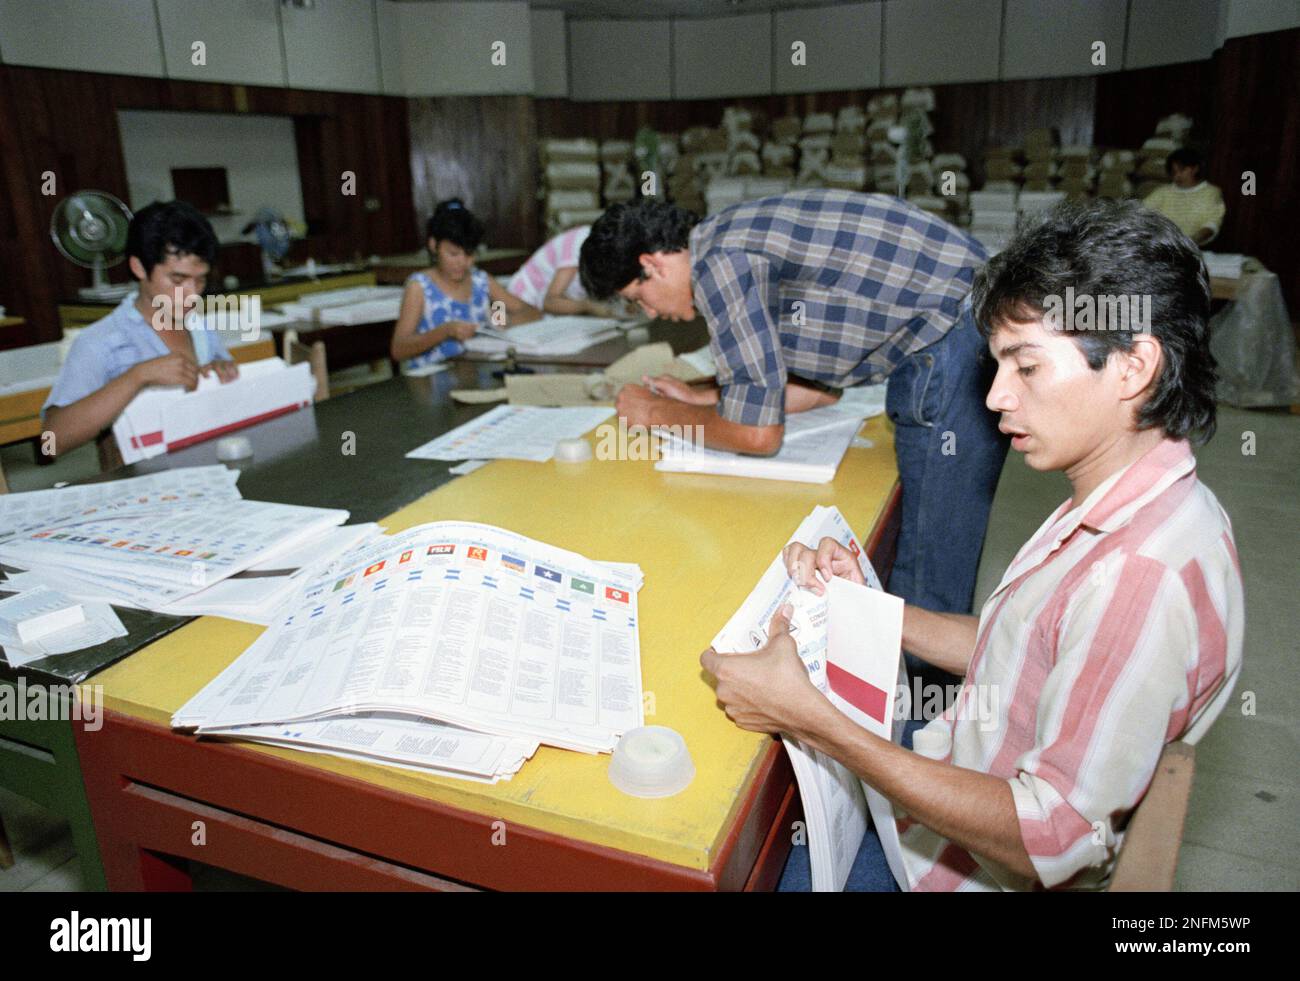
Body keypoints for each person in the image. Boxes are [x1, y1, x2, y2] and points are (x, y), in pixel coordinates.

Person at [702, 199, 1244, 891]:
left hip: (966, 863)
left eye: (1026, 367)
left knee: (748, 863)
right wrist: (865, 604)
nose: (993, 399)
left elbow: (1049, 839)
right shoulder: (1134, 499)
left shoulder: (1139, 576)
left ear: (1133, 365)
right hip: (957, 786)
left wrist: (811, 718)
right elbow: (1022, 646)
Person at [579, 189, 1008, 634]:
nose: (650, 311)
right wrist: (705, 399)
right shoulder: (732, 235)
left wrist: (654, 413)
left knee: (927, 571)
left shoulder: (721, 264)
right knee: (938, 553)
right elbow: (817, 393)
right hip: (965, 324)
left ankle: (917, 698)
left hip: (951, 343)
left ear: (652, 264)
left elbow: (758, 434)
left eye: (639, 297)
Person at [43, 200, 238, 457]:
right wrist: (136, 378)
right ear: (138, 267)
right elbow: (51, 442)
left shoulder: (199, 327)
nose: (192, 294)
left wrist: (222, 371)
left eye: (200, 280)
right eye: (177, 279)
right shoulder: (101, 341)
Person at [390, 199, 541, 372]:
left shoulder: (481, 281)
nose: (462, 262)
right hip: (432, 380)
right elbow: (398, 349)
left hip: (478, 373)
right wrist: (444, 332)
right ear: (433, 246)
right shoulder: (419, 287)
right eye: (453, 254)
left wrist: (502, 319)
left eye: (469, 254)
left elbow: (532, 312)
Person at [506, 225, 622, 316]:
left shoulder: (610, 248)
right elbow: (550, 302)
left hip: (548, 308)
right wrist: (588, 307)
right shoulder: (578, 247)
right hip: (524, 299)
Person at [1142, 147, 1225, 246]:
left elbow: (1211, 224)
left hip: (1194, 247)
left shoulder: (1210, 193)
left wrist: (1188, 243)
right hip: (1161, 246)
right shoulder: (1163, 192)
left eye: (1182, 170)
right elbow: (1142, 212)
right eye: (1174, 172)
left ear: (1195, 169)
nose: (1177, 175)